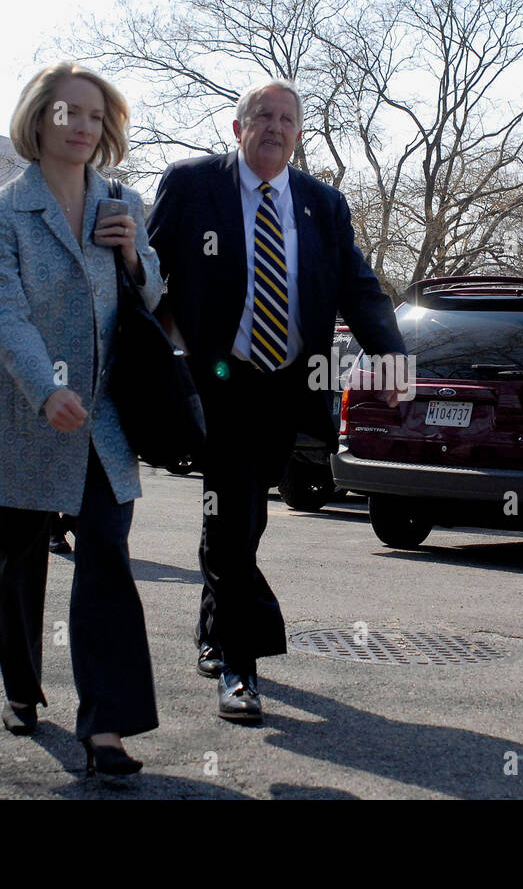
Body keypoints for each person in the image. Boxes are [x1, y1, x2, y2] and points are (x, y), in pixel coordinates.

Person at [147, 78, 408, 723]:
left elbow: (359, 286)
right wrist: (148, 356)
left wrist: (392, 354)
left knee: (241, 520)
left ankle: (213, 632)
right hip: (221, 376)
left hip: (290, 383)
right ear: (239, 129)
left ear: (299, 135)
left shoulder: (323, 203)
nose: (275, 126)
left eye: (288, 119)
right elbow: (145, 274)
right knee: (235, 515)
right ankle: (242, 665)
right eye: (262, 115)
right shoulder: (191, 185)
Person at [0, 61, 165, 777]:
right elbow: (2, 312)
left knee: (106, 552)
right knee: (19, 561)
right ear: (39, 119)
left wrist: (132, 253)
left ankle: (106, 727)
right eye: (67, 111)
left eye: (95, 115)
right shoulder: (0, 211)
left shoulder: (122, 200)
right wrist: (45, 389)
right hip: (22, 411)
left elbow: (156, 289)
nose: (82, 125)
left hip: (102, 418)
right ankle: (22, 687)